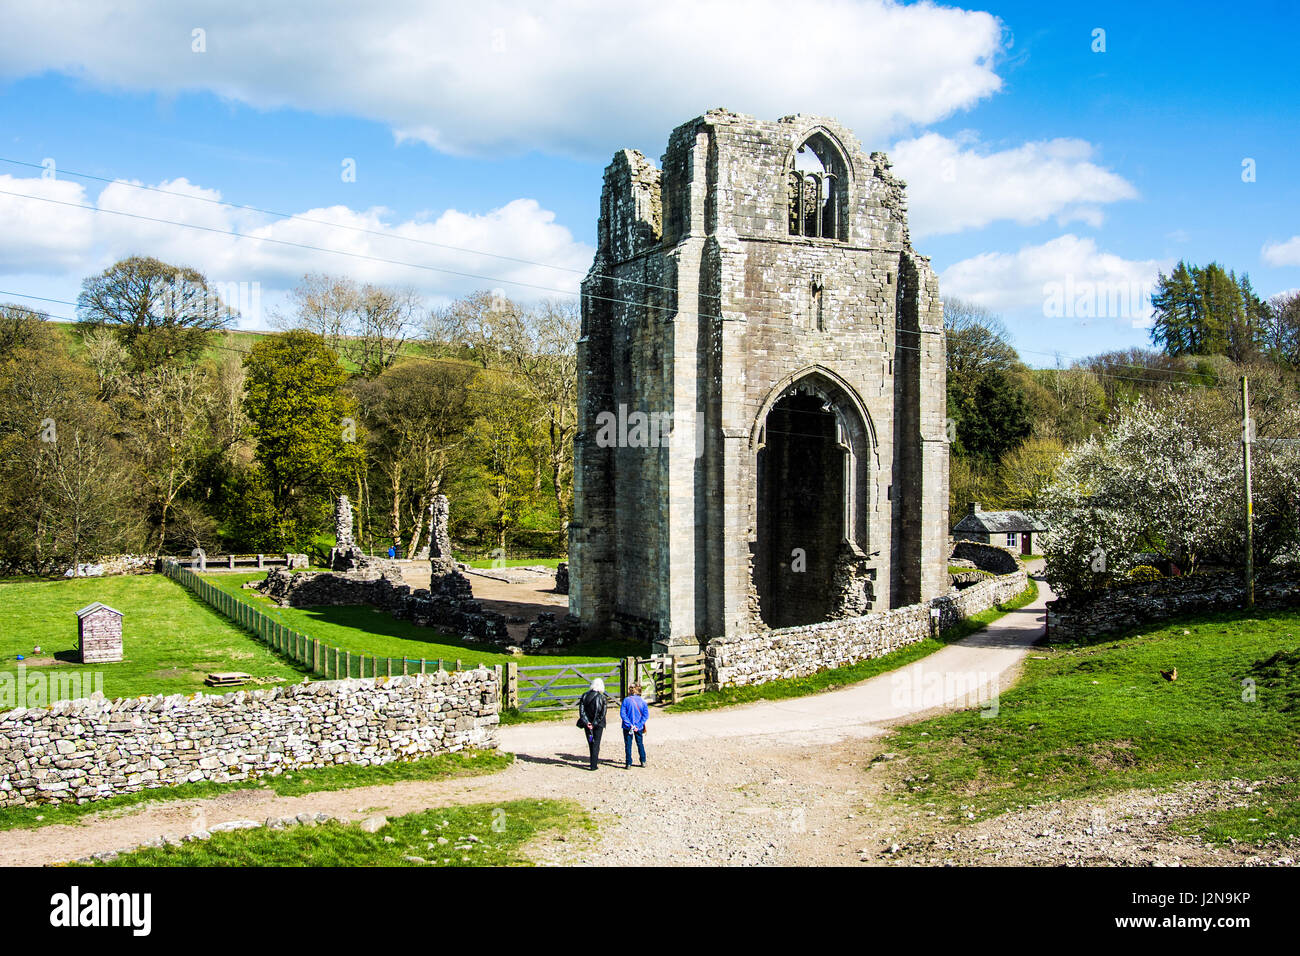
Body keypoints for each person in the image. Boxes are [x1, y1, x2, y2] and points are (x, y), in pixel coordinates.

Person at [576, 678, 608, 771]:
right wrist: (594, 723)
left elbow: (582, 712)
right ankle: (593, 764)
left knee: (590, 741)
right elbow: (602, 713)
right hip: (598, 724)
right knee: (596, 743)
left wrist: (587, 722)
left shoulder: (584, 696)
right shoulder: (602, 698)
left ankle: (592, 762)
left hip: (587, 724)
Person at [620, 683, 648, 768]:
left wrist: (630, 724)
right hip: (638, 727)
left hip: (627, 726)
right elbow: (645, 715)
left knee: (628, 744)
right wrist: (639, 725)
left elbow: (623, 714)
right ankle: (643, 760)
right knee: (640, 743)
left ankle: (628, 762)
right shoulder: (643, 702)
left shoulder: (626, 700)